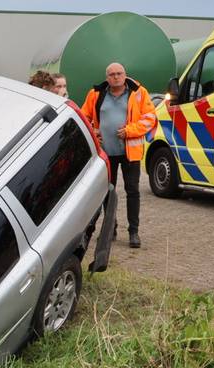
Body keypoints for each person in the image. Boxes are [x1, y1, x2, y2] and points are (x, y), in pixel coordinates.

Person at [81, 62, 156, 249]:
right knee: (108, 192)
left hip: (130, 152)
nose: (116, 77)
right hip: (106, 152)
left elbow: (150, 119)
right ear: (107, 77)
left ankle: (134, 232)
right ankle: (110, 229)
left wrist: (130, 130)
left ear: (125, 75)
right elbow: (84, 117)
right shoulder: (96, 94)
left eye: (119, 73)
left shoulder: (139, 93)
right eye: (112, 74)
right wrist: (92, 131)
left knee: (133, 191)